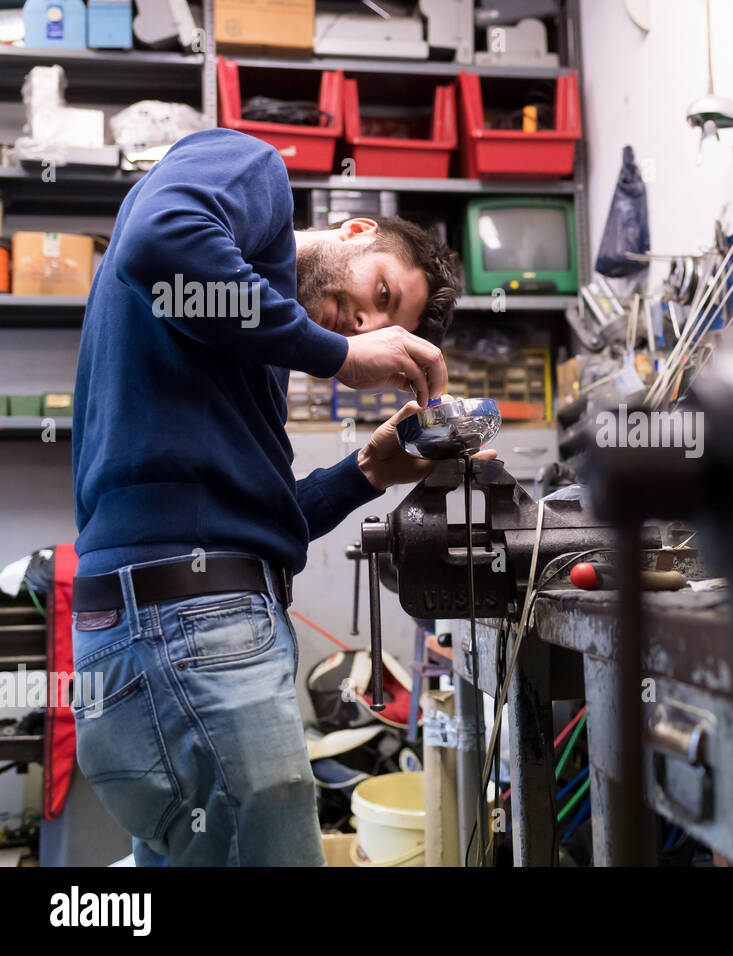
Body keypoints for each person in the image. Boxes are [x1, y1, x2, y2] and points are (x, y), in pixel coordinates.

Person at [68, 127, 486, 865]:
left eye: (379, 326)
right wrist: (340, 354)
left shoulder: (249, 342)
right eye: (378, 293)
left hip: (155, 631)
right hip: (189, 628)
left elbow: (242, 521)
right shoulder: (252, 169)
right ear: (356, 231)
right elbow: (156, 246)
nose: (362, 321)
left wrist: (366, 472)